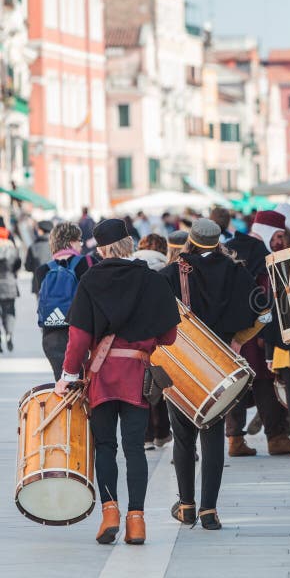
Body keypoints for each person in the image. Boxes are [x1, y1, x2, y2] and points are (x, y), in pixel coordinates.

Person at [55, 219, 180, 545]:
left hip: (101, 376)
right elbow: (169, 336)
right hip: (136, 374)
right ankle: (136, 522)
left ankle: (109, 514)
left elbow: (78, 338)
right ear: (128, 244)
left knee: (106, 447)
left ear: (102, 249)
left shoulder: (90, 280)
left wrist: (67, 376)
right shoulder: (152, 280)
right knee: (135, 448)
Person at [160, 219, 257, 530]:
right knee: (212, 434)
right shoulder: (236, 271)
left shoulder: (172, 272)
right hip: (221, 363)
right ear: (218, 242)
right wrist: (238, 340)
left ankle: (186, 506)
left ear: (190, 240)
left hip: (182, 364)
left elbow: (153, 314)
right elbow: (264, 311)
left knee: (183, 437)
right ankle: (209, 512)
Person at [224, 211, 290, 457]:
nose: (280, 242)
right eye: (278, 236)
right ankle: (276, 437)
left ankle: (234, 439)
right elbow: (267, 298)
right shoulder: (263, 256)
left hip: (228, 331)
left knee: (236, 383)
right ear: (267, 231)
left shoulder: (228, 247)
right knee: (264, 382)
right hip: (256, 331)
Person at [34, 223, 94, 378]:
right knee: (85, 384)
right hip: (81, 334)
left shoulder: (42, 270)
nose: (81, 245)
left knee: (63, 384)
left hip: (51, 337)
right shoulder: (88, 262)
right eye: (79, 241)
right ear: (71, 241)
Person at [132, 234, 172, 451]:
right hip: (158, 331)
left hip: (134, 333)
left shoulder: (130, 267)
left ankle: (146, 436)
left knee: (141, 383)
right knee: (159, 380)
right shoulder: (166, 269)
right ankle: (162, 432)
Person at [0, 225, 20, 352]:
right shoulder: (12, 249)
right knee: (9, 311)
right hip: (9, 284)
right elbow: (18, 265)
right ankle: (9, 333)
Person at [25, 221, 54, 288]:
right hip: (55, 282)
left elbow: (28, 267)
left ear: (40, 231)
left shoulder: (33, 247)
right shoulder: (58, 246)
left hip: (38, 283)